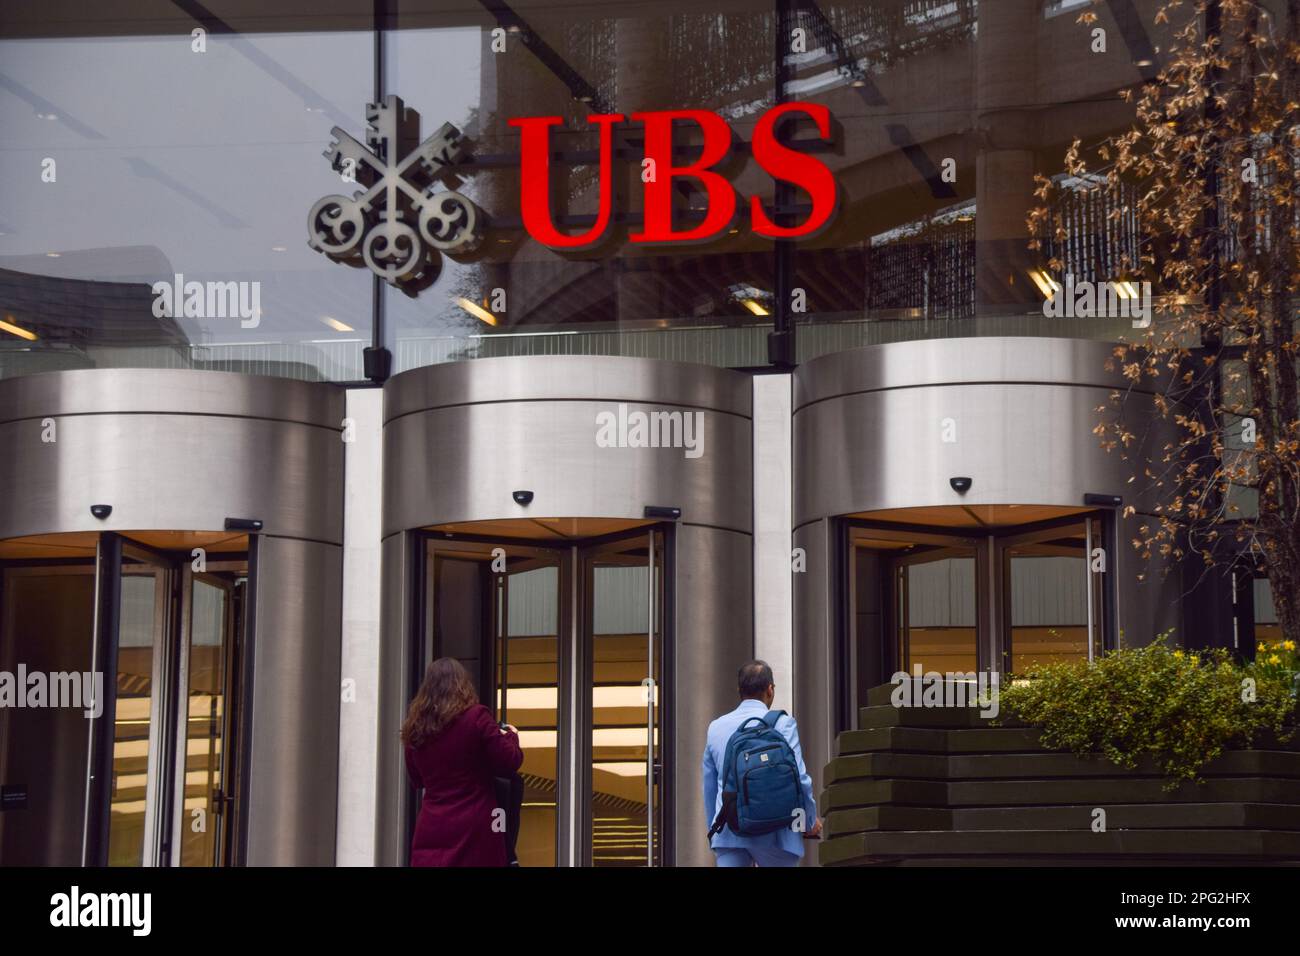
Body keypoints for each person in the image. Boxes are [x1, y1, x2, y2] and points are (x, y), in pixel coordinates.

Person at [401, 657, 523, 866]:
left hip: (432, 826)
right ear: (462, 685)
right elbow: (510, 760)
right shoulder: (476, 717)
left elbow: (417, 780)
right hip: (474, 826)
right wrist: (511, 735)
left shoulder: (416, 728)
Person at [702, 660, 821, 867]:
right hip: (776, 834)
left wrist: (715, 829)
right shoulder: (783, 723)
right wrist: (808, 821)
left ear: (740, 690)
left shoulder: (716, 727)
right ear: (770, 689)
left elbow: (709, 785)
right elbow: (800, 778)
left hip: (730, 832)